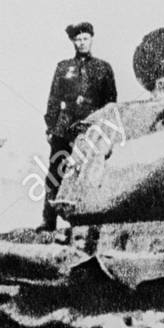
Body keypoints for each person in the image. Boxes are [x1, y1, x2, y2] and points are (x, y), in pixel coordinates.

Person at [42, 22, 118, 229]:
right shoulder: (63, 67)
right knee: (56, 169)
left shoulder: (103, 68)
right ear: (73, 42)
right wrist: (51, 127)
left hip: (91, 128)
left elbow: (111, 101)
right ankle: (48, 220)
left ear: (92, 39)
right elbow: (54, 98)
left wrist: (104, 128)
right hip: (64, 126)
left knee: (90, 170)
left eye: (85, 38)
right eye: (78, 39)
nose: (82, 42)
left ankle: (85, 220)